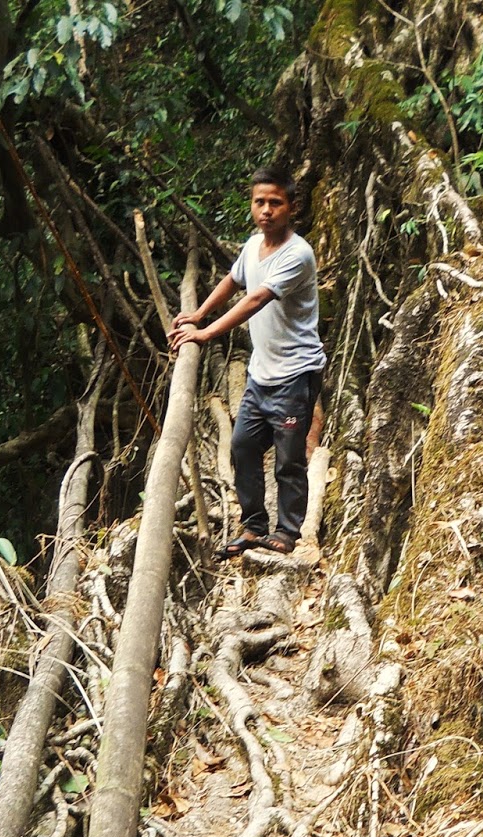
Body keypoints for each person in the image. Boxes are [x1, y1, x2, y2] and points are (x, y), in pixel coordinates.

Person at [169, 166, 325, 558]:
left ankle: (287, 532)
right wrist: (198, 314)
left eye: (276, 202)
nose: (266, 210)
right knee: (242, 446)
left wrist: (205, 335)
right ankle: (254, 527)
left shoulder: (298, 254)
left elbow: (255, 299)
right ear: (251, 205)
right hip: (261, 373)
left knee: (289, 459)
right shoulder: (254, 245)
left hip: (295, 374)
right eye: (260, 202)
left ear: (292, 207)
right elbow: (234, 280)